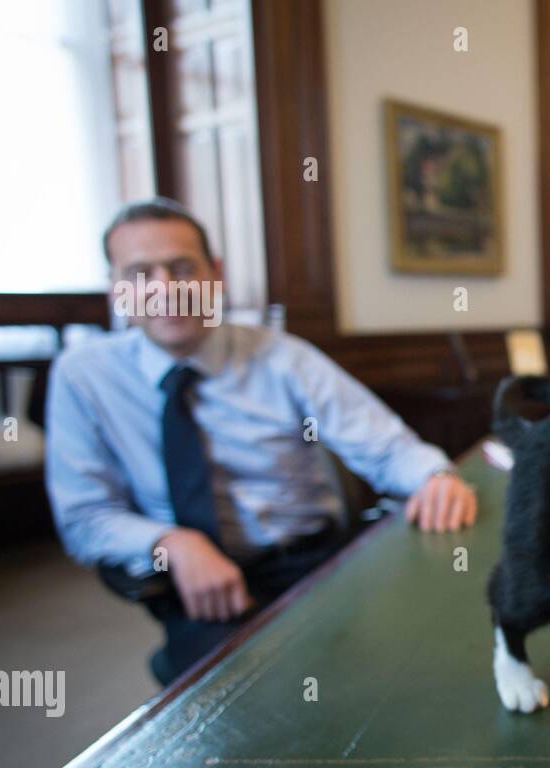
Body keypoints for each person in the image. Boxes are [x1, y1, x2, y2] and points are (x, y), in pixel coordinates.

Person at [46, 198, 478, 684]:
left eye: (182, 268)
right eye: (140, 273)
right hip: (195, 588)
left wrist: (434, 476)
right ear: (116, 289)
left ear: (216, 273)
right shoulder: (83, 375)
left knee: (423, 665)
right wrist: (171, 543)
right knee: (234, 718)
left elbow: (384, 446)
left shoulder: (283, 357)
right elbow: (84, 518)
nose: (164, 290)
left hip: (316, 567)